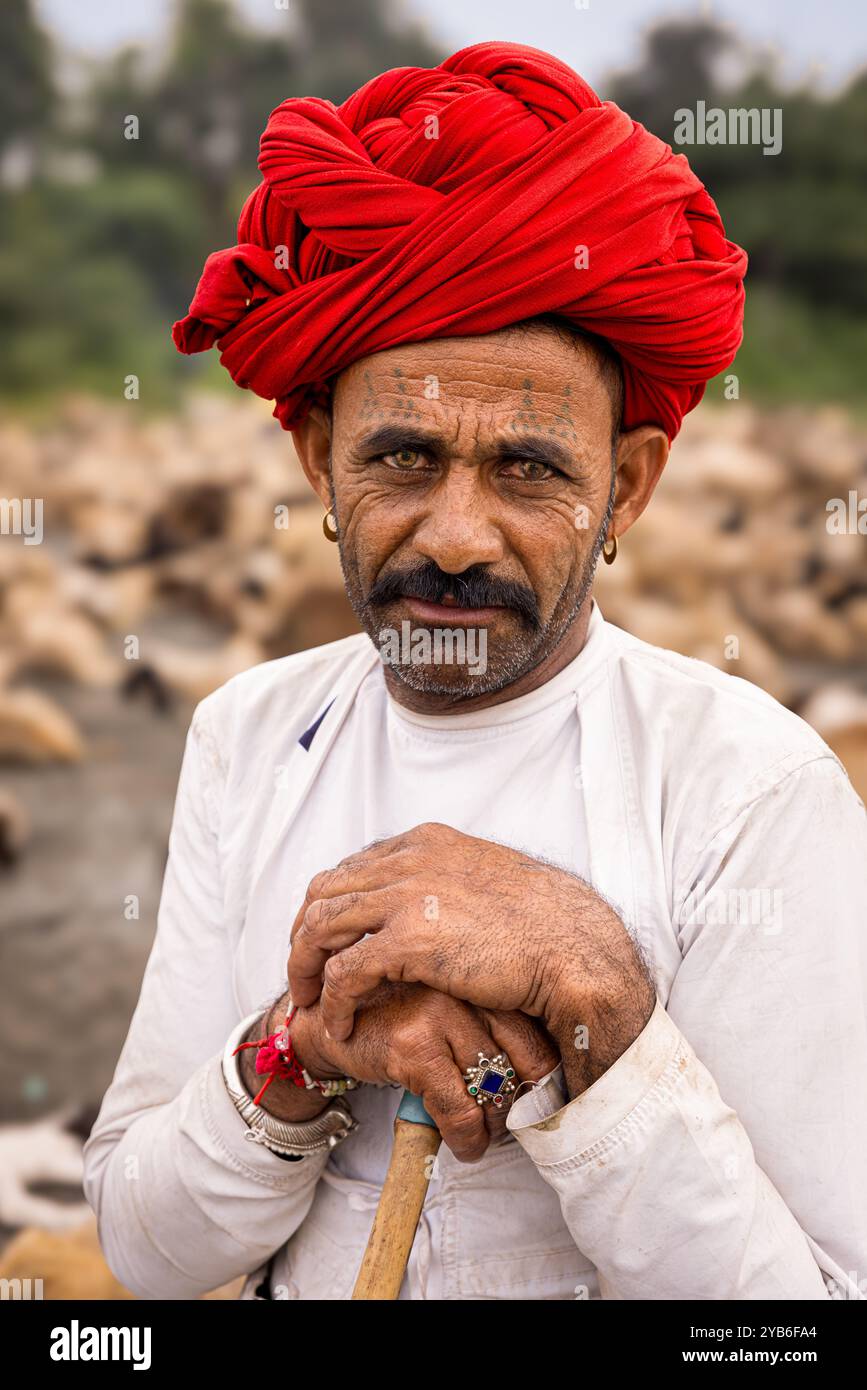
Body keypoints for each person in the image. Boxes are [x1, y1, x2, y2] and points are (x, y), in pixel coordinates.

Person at [83, 42, 867, 1301]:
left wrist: (597, 1015)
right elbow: (144, 1251)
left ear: (630, 485)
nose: (455, 535)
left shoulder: (750, 791)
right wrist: (296, 1053)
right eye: (401, 458)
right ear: (319, 462)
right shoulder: (250, 732)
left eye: (527, 469)